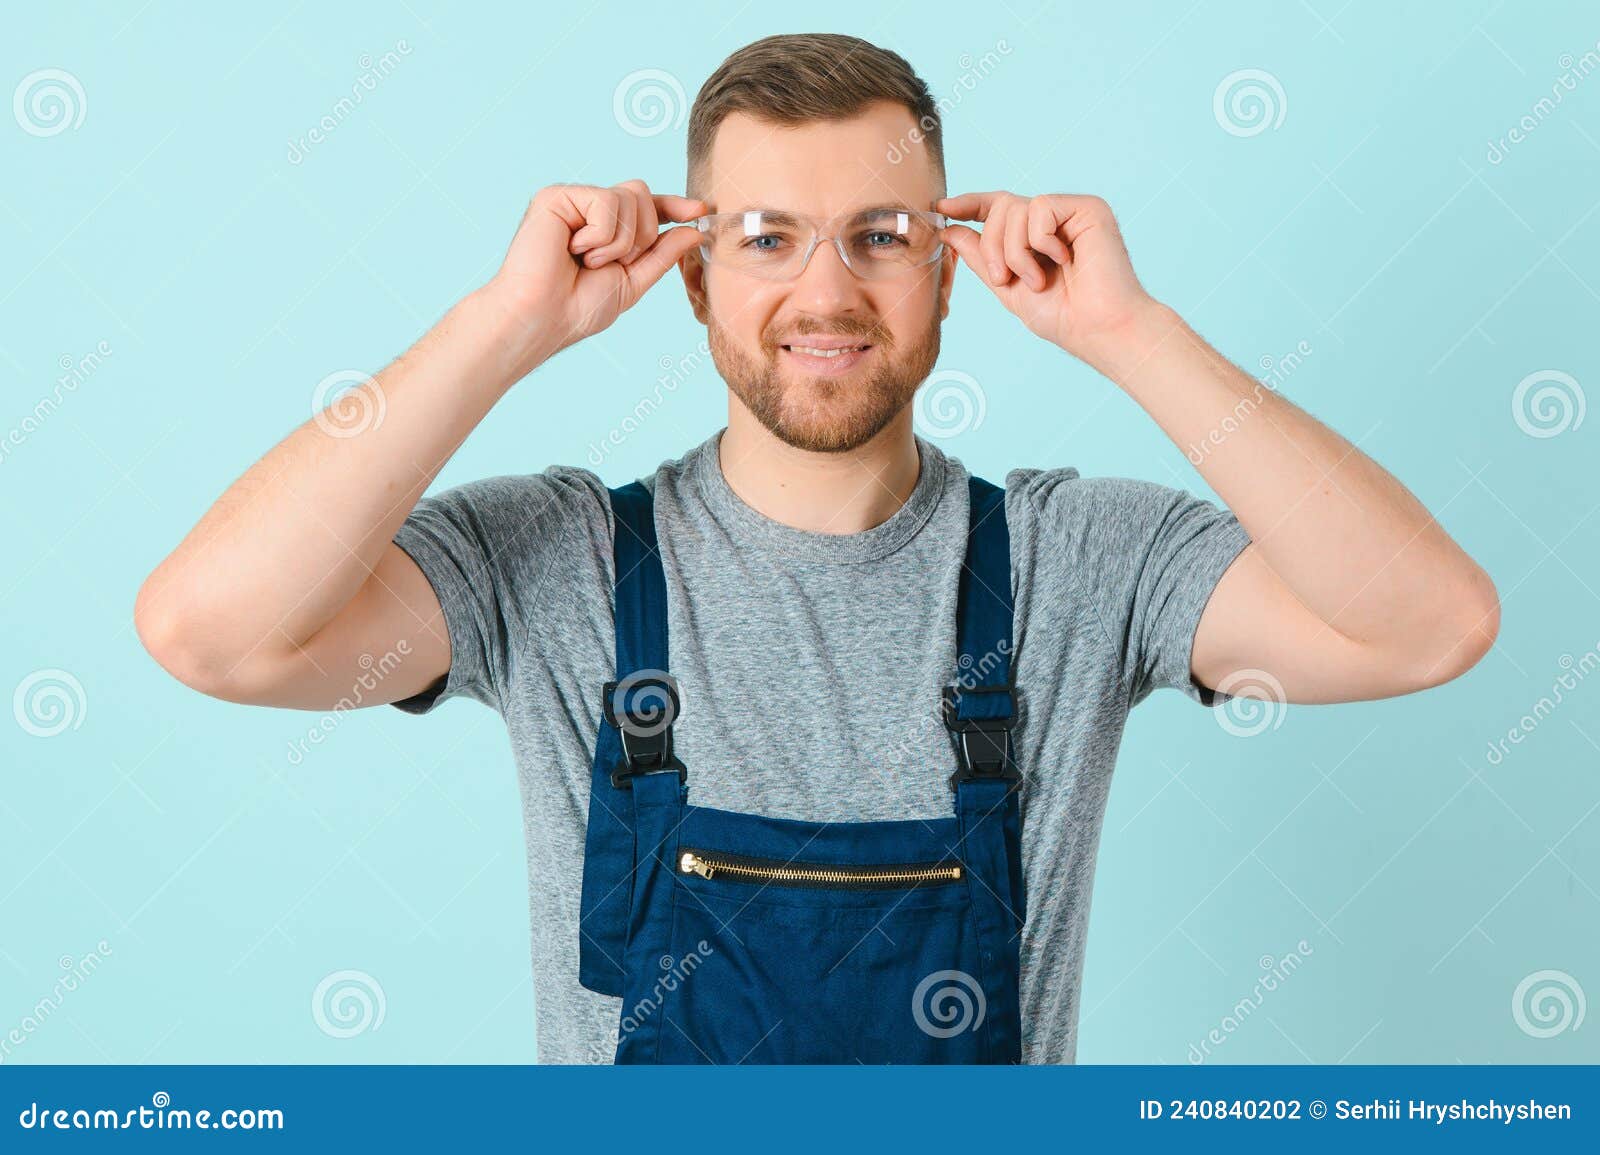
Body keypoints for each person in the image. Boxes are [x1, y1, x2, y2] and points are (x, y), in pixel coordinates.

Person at [135, 33, 1499, 1063]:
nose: (826, 292)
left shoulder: (1082, 561)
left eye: (881, 238)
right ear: (692, 276)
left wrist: (1133, 337)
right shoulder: (552, 563)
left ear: (950, 273)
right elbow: (212, 634)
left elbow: (1429, 624)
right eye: (767, 238)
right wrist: (505, 327)